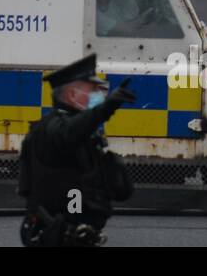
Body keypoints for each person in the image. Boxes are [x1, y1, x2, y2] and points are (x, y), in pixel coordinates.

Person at [18, 54, 135, 247]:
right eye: (93, 89)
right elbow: (69, 134)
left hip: (80, 235)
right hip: (58, 236)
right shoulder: (52, 128)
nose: (99, 94)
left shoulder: (82, 131)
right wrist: (105, 109)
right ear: (72, 95)